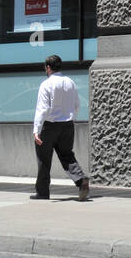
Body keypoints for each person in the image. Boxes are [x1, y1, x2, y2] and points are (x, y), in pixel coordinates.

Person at [32, 55, 89, 202]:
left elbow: (42, 109)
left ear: (48, 68)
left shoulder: (46, 84)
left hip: (50, 125)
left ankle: (43, 192)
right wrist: (72, 120)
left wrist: (36, 130)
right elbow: (77, 104)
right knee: (67, 155)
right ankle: (81, 179)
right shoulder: (70, 82)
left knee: (44, 159)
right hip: (67, 125)